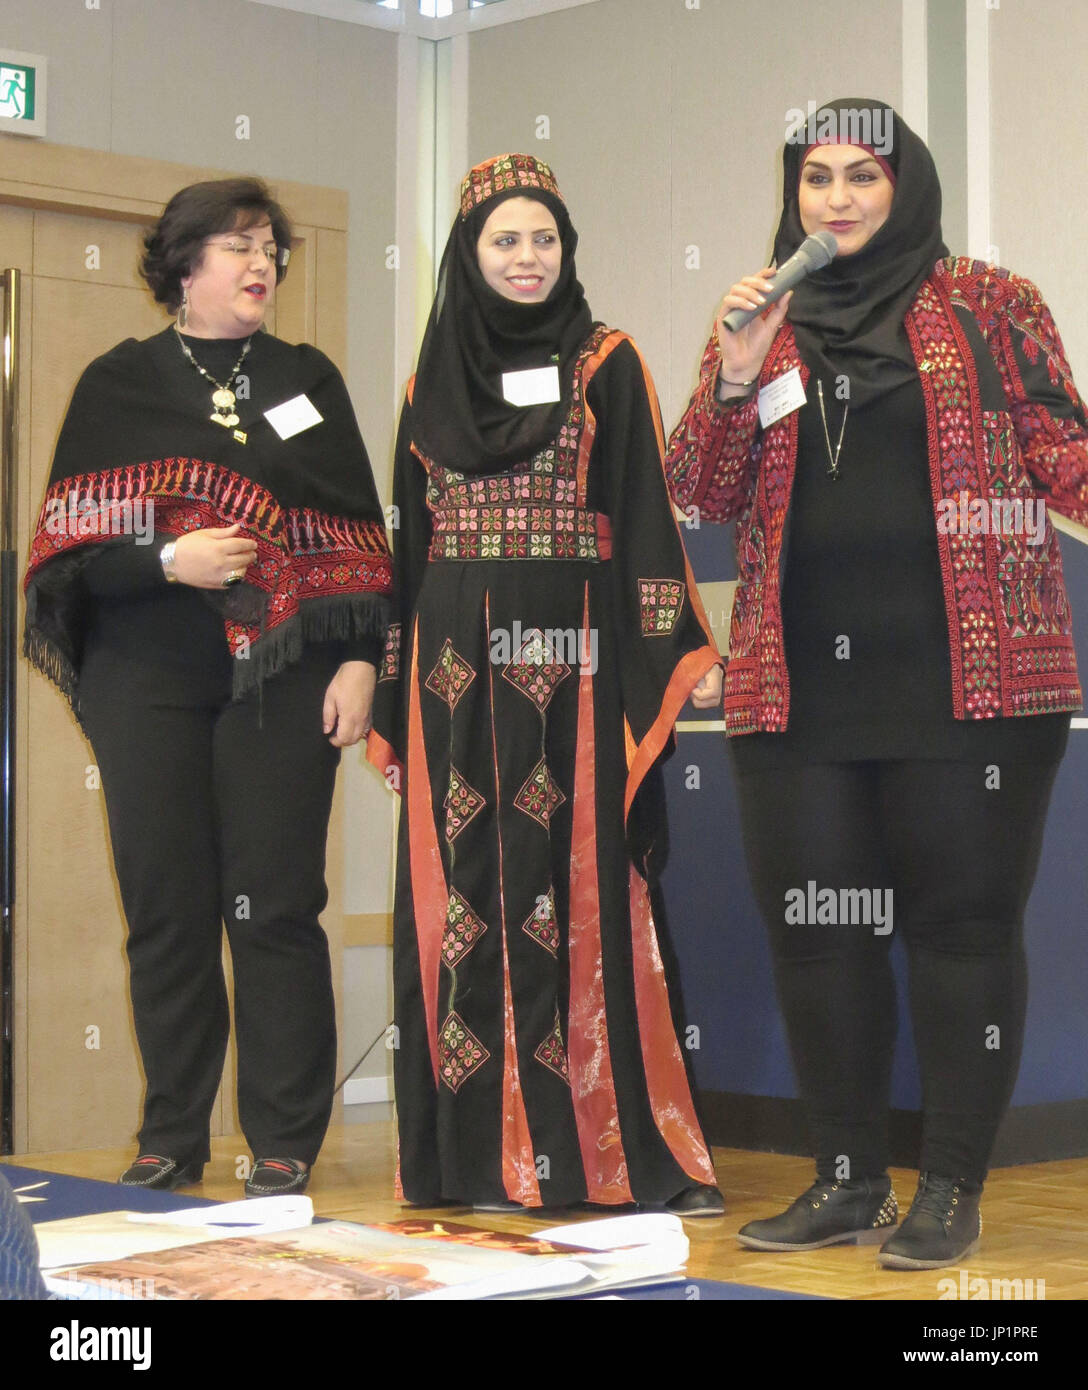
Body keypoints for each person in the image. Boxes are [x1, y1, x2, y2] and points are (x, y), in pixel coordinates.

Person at [666, 98, 1088, 1269]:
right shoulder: (758, 319)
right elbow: (697, 490)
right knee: (817, 935)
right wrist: (734, 376)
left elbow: (1064, 452)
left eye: (862, 174)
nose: (837, 199)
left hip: (976, 682)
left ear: (906, 187)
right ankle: (842, 1179)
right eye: (814, 178)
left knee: (960, 933)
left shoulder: (990, 303)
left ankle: (949, 1185)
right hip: (794, 687)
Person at [369, 153, 724, 1216]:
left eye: (544, 239)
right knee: (461, 902)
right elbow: (405, 551)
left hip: (568, 669)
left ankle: (606, 1156)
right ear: (467, 256)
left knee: (573, 892)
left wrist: (668, 660)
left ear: (567, 250)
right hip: (447, 676)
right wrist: (390, 687)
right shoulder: (423, 384)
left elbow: (644, 525)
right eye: (503, 240)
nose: (527, 259)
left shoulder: (605, 362)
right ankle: (470, 1162)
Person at [23, 177, 391, 1198]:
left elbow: (358, 546)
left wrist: (362, 659)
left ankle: (281, 1142)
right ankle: (170, 1135)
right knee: (169, 910)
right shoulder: (118, 383)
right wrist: (164, 558)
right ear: (184, 263)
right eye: (238, 245)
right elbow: (64, 562)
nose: (261, 262)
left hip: (284, 680)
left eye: (270, 245)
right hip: (147, 676)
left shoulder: (307, 378)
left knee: (275, 906)